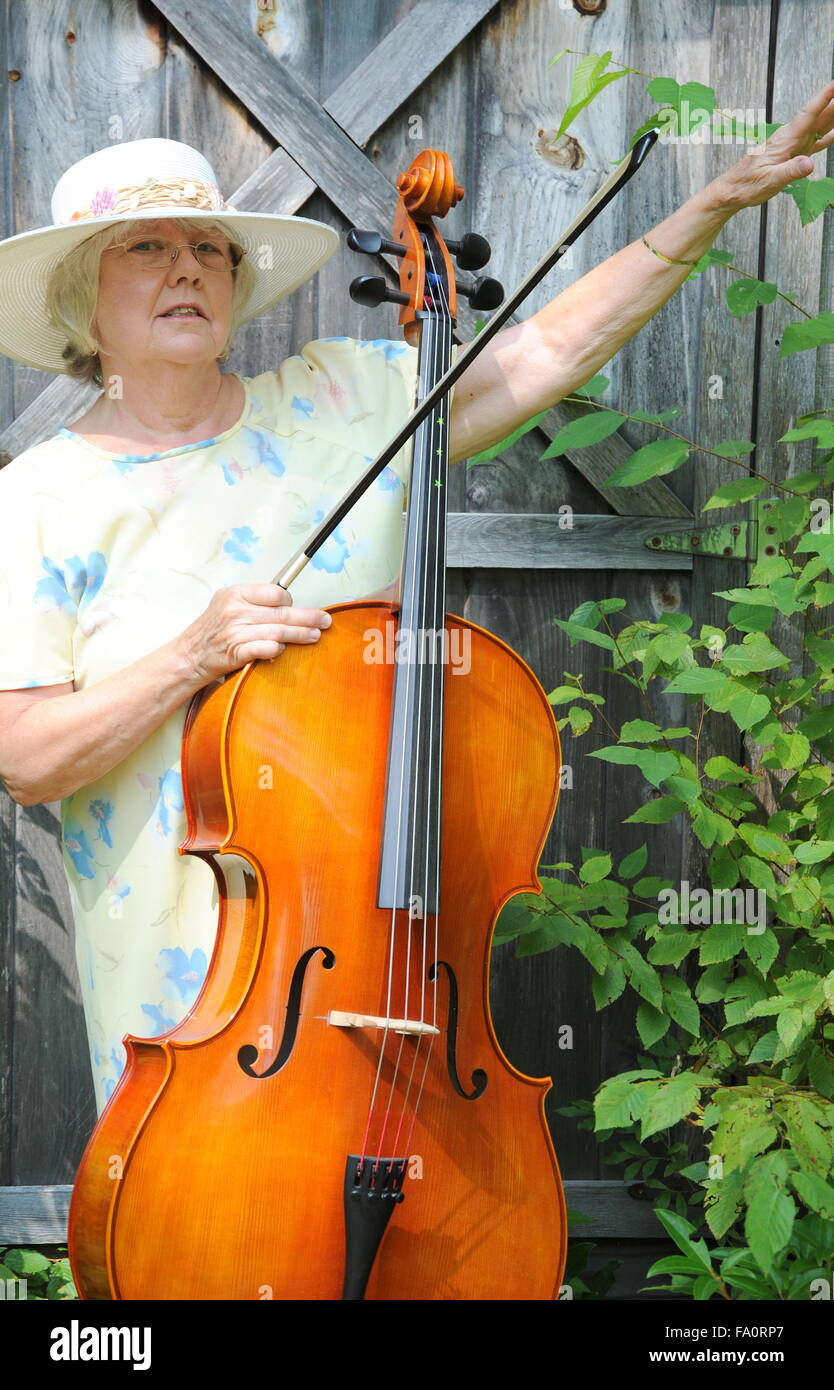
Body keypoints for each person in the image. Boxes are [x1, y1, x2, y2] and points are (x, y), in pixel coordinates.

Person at [0, 91, 831, 1115]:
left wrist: (713, 204)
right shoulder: (40, 496)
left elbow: (545, 355)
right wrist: (190, 655)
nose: (188, 266)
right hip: (178, 996)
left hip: (372, 960)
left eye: (210, 248)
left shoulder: (343, 401)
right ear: (84, 303)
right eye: (147, 248)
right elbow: (27, 759)